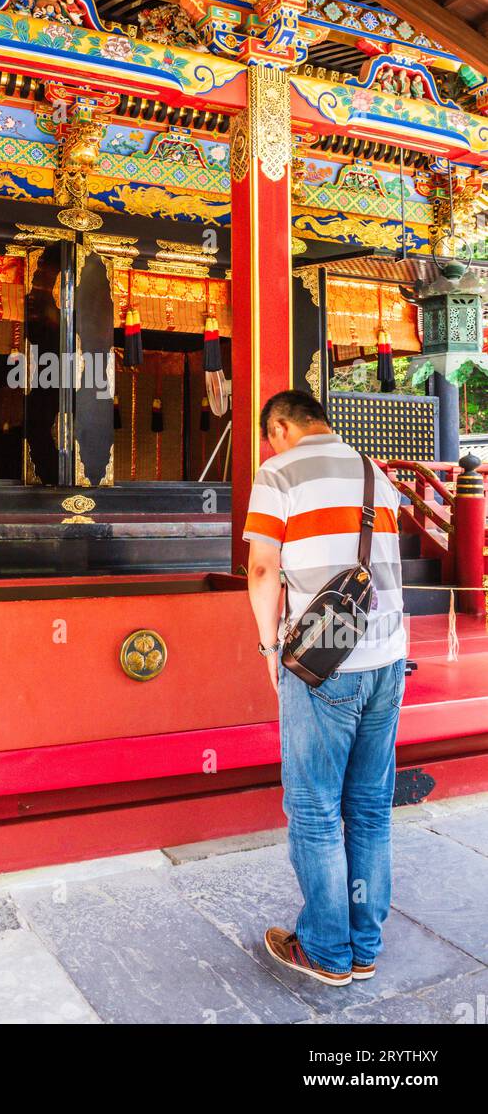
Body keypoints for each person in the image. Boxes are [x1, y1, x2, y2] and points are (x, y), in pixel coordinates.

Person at [243, 389, 406, 987]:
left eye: (270, 436)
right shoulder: (373, 471)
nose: (272, 447)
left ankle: (326, 952)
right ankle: (363, 947)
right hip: (389, 658)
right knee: (368, 809)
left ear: (281, 426)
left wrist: (268, 648)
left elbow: (262, 569)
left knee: (313, 810)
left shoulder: (278, 471)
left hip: (322, 663)